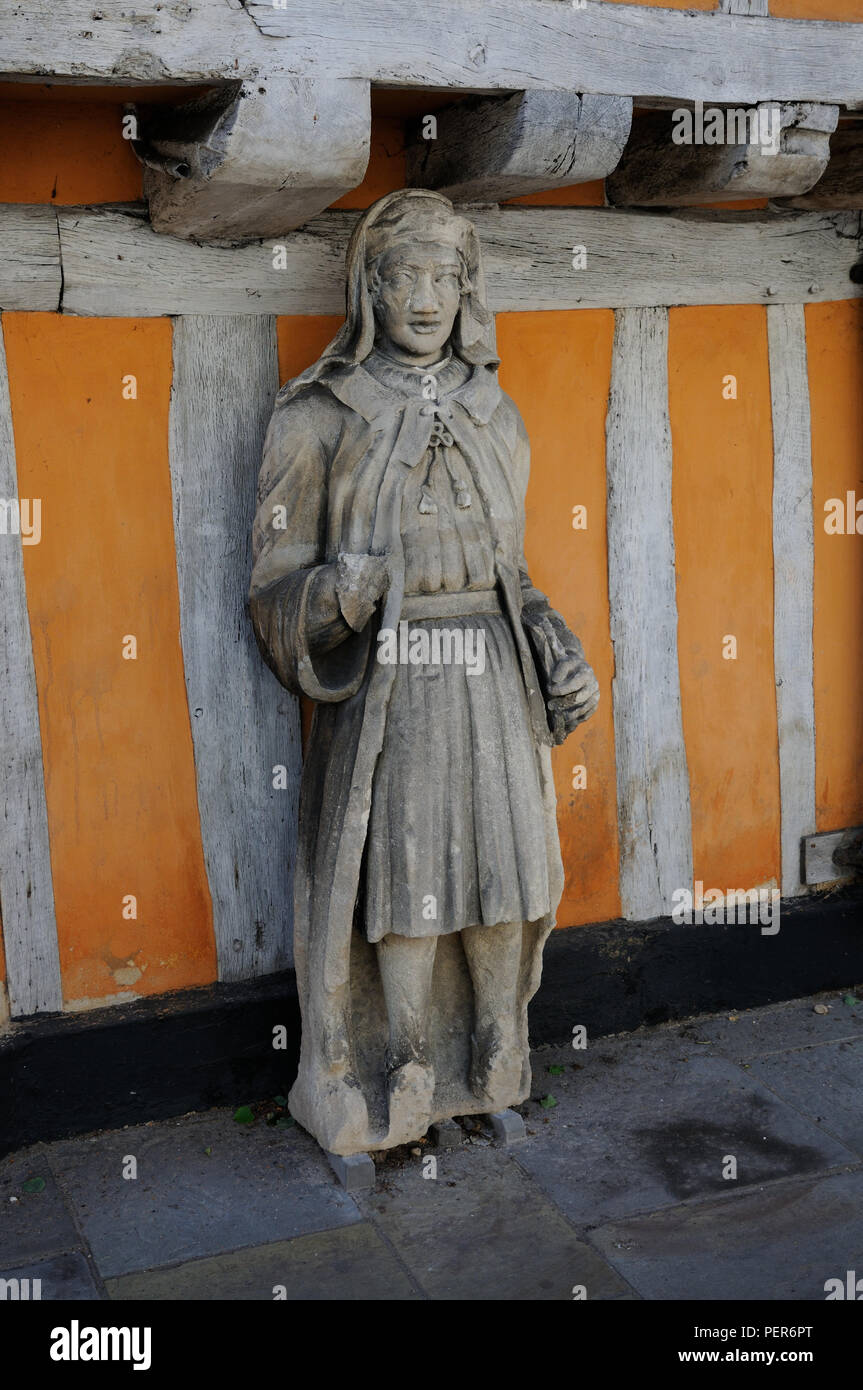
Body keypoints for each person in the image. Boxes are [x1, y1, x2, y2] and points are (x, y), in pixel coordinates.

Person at [250, 189, 599, 1155]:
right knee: (404, 877)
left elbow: (513, 571)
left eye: (446, 277)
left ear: (465, 290)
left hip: (489, 675)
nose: (426, 297)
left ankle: (495, 1060)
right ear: (369, 286)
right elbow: (270, 586)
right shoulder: (319, 415)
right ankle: (399, 1063)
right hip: (393, 677)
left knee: (504, 870)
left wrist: (547, 633)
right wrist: (333, 596)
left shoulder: (496, 414)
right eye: (404, 274)